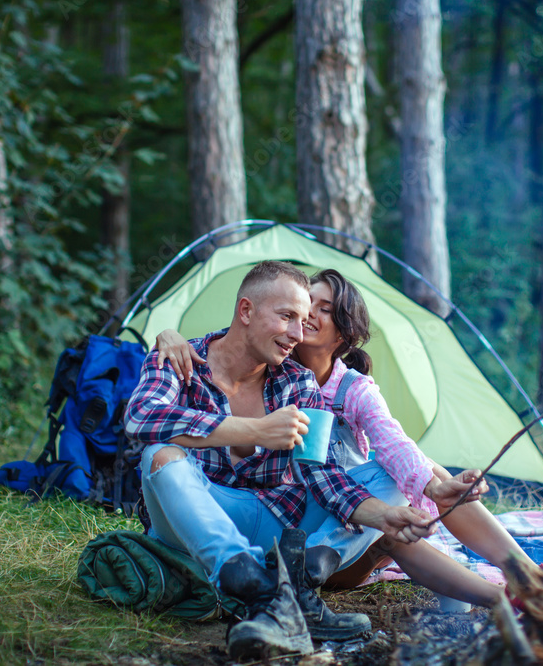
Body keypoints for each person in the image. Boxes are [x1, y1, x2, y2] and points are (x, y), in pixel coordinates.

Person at [156, 268, 543, 609]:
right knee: (401, 512)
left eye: (323, 309)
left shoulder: (350, 390)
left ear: (344, 332)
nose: (306, 317)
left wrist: (429, 487)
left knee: (417, 478)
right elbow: (233, 339)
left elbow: (392, 445)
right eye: (302, 307)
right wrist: (169, 335)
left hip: (344, 522)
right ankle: (510, 594)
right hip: (290, 512)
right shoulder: (268, 365)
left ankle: (523, 581)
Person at [124, 261, 440, 661]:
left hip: (276, 523)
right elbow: (141, 418)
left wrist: (382, 516)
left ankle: (298, 586)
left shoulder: (299, 382)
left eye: (303, 321)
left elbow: (322, 475)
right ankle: (252, 584)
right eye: (287, 317)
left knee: (391, 477)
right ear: (246, 310)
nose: (298, 334)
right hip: (194, 521)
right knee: (160, 454)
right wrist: (255, 430)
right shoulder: (180, 359)